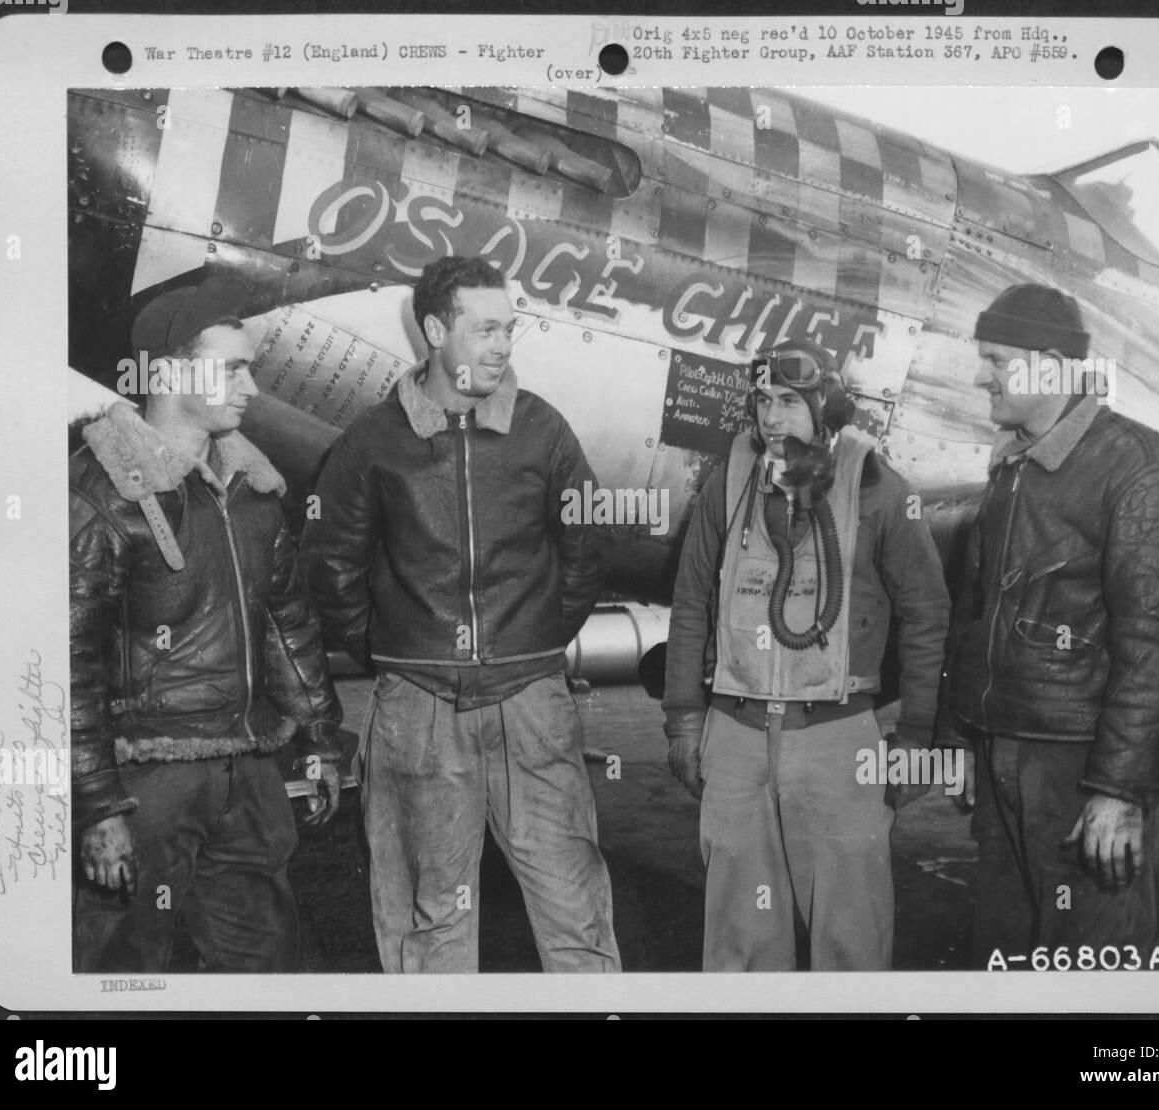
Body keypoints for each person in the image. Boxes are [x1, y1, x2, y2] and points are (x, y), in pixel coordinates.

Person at [301, 256, 620, 973]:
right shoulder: (374, 442)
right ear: (436, 330)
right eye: (484, 330)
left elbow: (586, 546)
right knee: (430, 921)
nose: (503, 345)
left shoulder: (543, 431)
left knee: (576, 913)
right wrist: (399, 651)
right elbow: (332, 567)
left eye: (509, 328)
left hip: (531, 703)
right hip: (417, 711)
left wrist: (532, 641)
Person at [71, 277, 344, 973]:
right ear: (166, 373)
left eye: (249, 367)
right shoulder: (104, 491)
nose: (251, 387)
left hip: (247, 773)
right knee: (124, 976)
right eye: (231, 369)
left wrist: (318, 738)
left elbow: (288, 625)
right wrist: (98, 805)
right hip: (145, 784)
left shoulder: (255, 490)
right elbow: (70, 663)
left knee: (261, 971)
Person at [662, 339, 950, 971]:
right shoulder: (727, 480)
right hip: (735, 735)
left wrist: (917, 735)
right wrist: (684, 719)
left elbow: (928, 612)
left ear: (828, 407)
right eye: (763, 402)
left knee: (851, 943)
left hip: (837, 736)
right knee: (739, 945)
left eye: (790, 402)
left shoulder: (875, 484)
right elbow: (691, 605)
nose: (771, 419)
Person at [940, 283, 1159, 966]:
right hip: (1004, 752)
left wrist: (1118, 793)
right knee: (1007, 959)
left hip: (1077, 767)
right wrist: (958, 736)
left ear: (1048, 365)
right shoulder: (1010, 459)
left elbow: (1151, 642)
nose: (981, 376)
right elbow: (974, 610)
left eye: (997, 360)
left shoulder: (1134, 464)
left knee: (1096, 971)